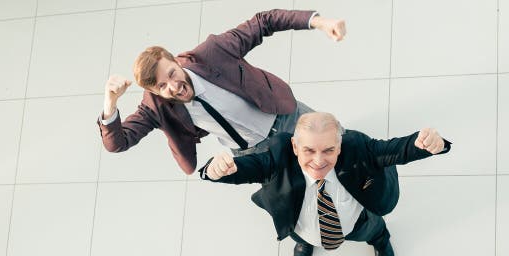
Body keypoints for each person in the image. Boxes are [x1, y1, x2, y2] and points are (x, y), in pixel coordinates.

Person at [199, 112, 451, 256]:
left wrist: (430, 145)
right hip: (300, 223)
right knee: (303, 235)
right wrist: (214, 169)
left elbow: (397, 149)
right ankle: (305, 243)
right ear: (295, 146)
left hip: (357, 221)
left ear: (339, 145)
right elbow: (245, 168)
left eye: (328, 150)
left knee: (373, 231)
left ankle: (381, 244)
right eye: (308, 151)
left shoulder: (356, 147)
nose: (318, 162)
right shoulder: (278, 156)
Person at [98, 9, 346, 174]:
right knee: (293, 189)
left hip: (285, 115)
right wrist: (110, 103)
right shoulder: (154, 108)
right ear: (153, 90)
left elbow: (264, 22)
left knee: (340, 146)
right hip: (253, 151)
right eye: (162, 86)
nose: (174, 87)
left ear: (175, 60)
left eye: (172, 74)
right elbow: (117, 144)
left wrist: (319, 22)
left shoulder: (212, 52)